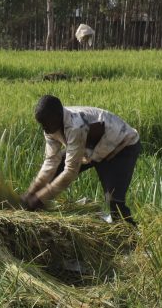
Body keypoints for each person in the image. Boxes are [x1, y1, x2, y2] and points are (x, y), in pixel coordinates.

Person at [22, 95, 141, 226]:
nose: (44, 129)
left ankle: (130, 232)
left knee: (114, 201)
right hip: (91, 148)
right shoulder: (50, 126)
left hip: (121, 147)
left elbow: (71, 171)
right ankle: (39, 216)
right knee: (53, 173)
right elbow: (51, 161)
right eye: (41, 124)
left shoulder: (76, 126)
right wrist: (32, 191)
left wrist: (41, 197)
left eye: (46, 124)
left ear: (58, 116)